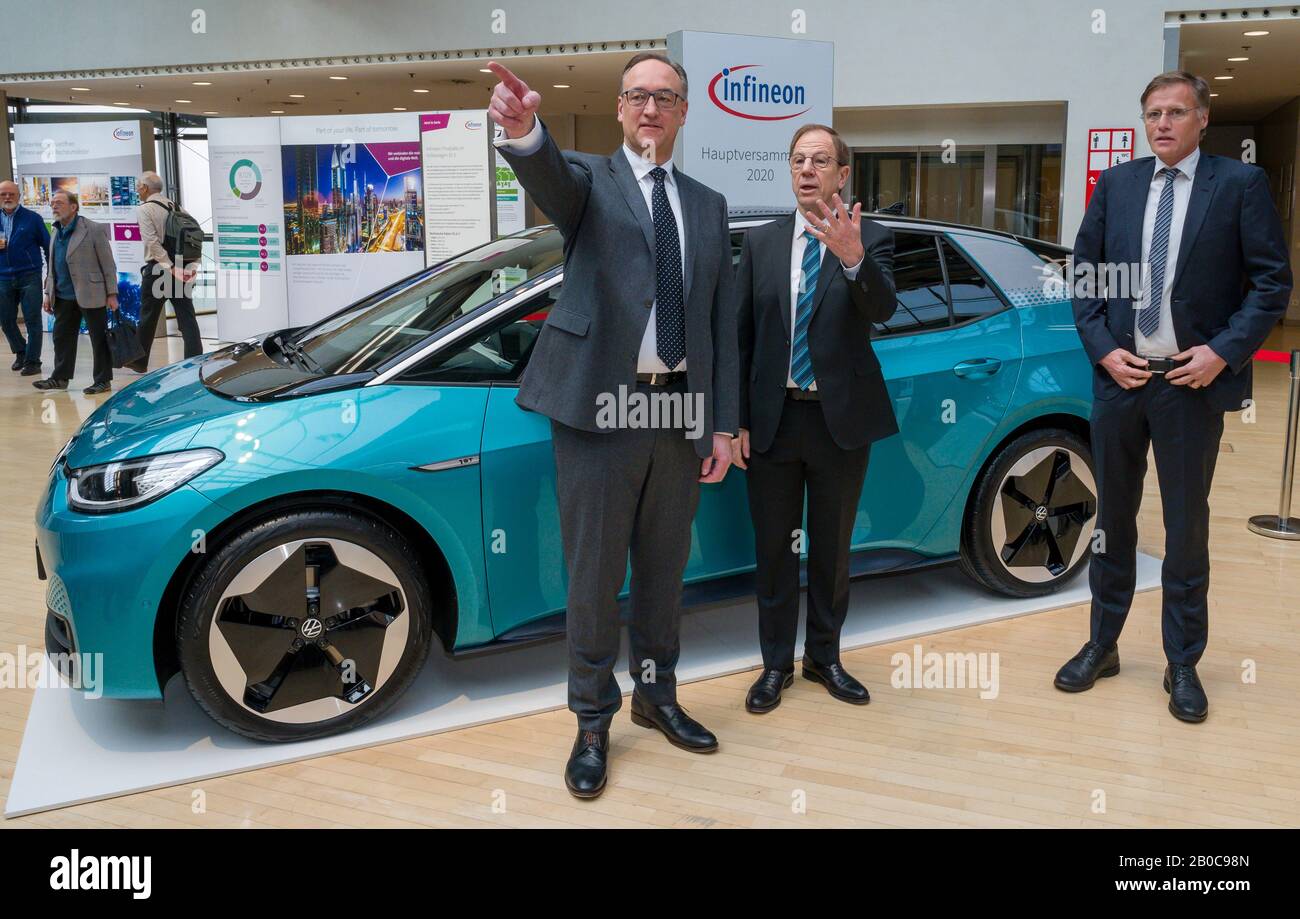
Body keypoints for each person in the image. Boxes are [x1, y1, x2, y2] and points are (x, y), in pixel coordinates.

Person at [488, 52, 737, 799]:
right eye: (638, 96)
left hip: (676, 410)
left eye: (666, 97)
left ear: (685, 113)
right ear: (621, 110)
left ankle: (656, 698)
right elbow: (550, 181)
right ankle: (592, 722)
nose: (651, 108)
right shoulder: (590, 183)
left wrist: (721, 424)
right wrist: (527, 131)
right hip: (601, 408)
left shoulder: (707, 202)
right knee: (595, 575)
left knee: (664, 572)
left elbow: (720, 322)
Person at [1058, 70, 1291, 723]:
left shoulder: (1240, 185)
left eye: (1176, 112)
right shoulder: (1119, 184)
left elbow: (1272, 283)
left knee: (1186, 527)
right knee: (1112, 523)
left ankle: (1182, 661)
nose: (1162, 123)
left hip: (1190, 384)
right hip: (1121, 380)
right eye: (1153, 113)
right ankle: (1102, 644)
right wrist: (1103, 347)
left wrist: (1221, 351)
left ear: (1202, 119)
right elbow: (1087, 275)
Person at [733, 125, 897, 713]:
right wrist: (736, 420)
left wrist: (853, 258)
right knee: (774, 551)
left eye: (820, 160)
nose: (807, 169)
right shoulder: (761, 242)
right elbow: (741, 339)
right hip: (773, 423)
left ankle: (824, 658)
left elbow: (882, 309)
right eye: (798, 159)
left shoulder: (870, 237)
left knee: (830, 551)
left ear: (842, 175)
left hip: (838, 423)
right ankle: (775, 665)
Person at [36, 190, 119, 394]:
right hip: (63, 295)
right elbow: (52, 265)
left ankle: (102, 380)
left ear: (73, 207)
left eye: (59, 203)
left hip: (92, 293)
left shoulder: (93, 229)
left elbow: (108, 264)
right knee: (61, 337)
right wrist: (48, 293)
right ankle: (60, 378)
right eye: (53, 203)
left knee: (98, 338)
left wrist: (112, 294)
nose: (54, 206)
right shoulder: (55, 230)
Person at [126, 171, 200, 372]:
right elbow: (194, 237)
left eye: (139, 186)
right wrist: (191, 266)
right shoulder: (176, 206)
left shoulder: (145, 209)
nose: (137, 190)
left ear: (144, 188)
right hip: (181, 267)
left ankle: (140, 361)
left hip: (159, 269)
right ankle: (195, 361)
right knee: (187, 317)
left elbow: (152, 242)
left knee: (148, 315)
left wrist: (169, 267)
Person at [0, 179, 51, 376]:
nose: (7, 197)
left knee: (32, 319)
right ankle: (21, 351)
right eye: (3, 194)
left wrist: (50, 275)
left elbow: (48, 246)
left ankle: (33, 361)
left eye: (11, 194)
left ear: (19, 196)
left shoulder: (32, 218)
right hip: (3, 277)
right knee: (6, 321)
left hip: (29, 275)